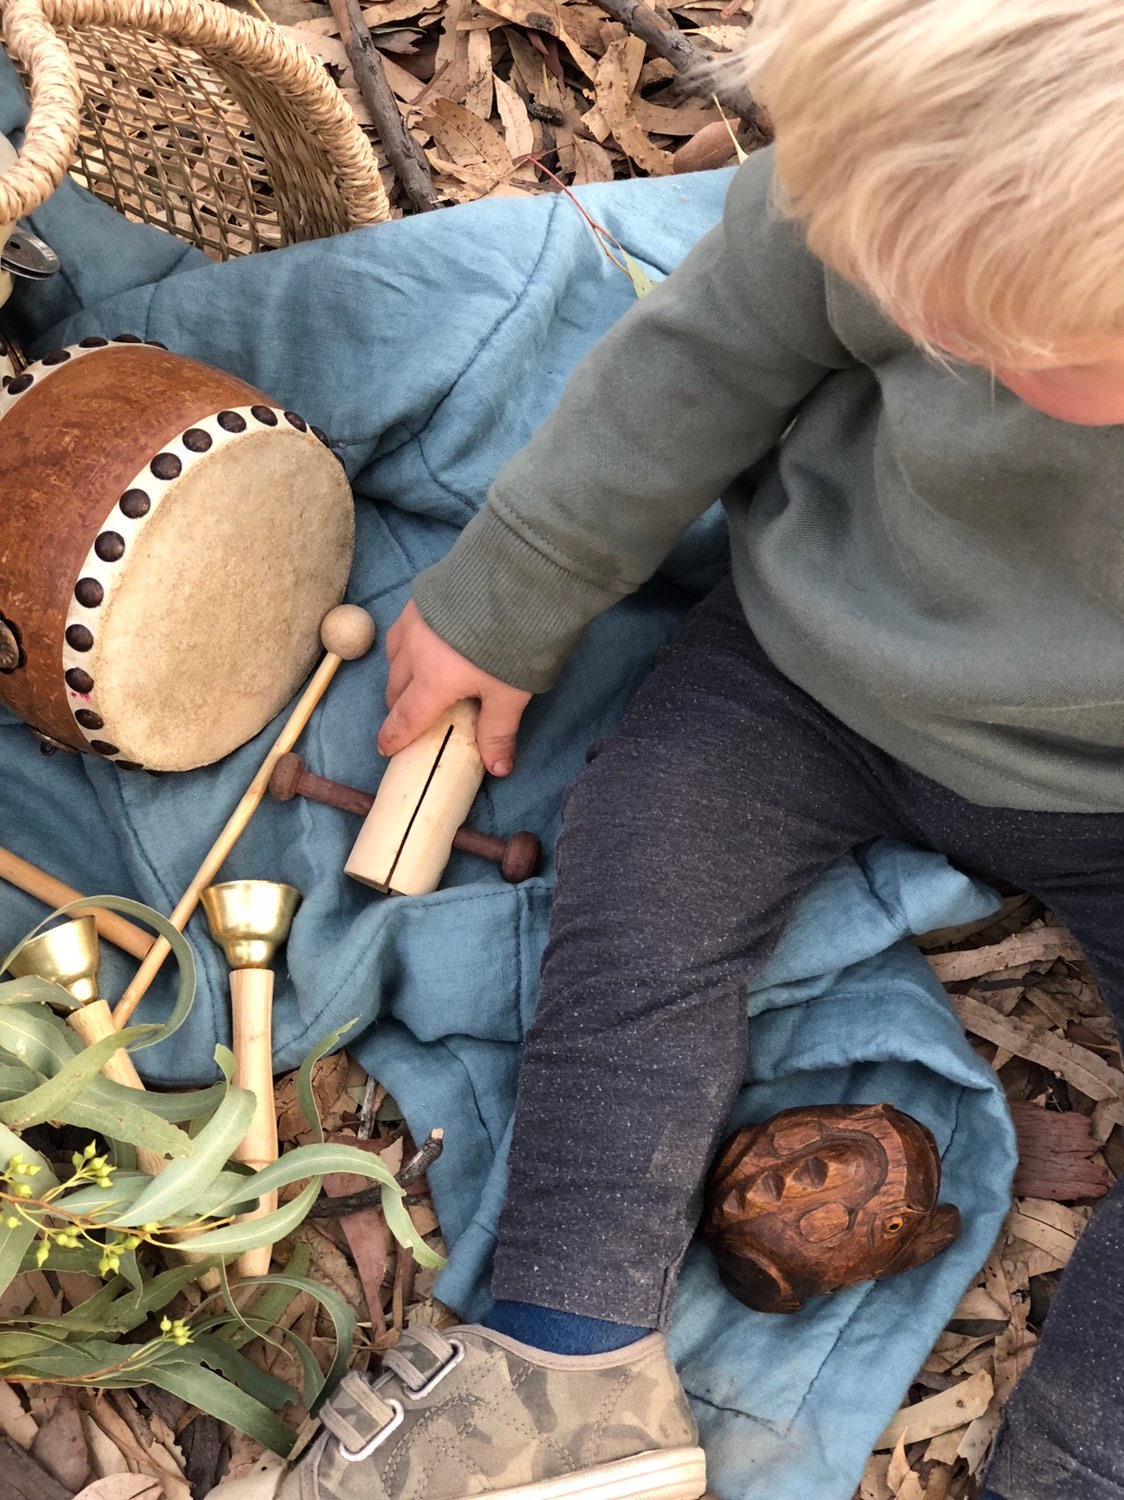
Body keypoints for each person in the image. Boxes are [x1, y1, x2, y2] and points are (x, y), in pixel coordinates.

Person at [268, 2, 1124, 1497]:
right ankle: (566, 1354)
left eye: (990, 333)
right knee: (639, 880)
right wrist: (504, 597)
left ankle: (1078, 1462)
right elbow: (703, 361)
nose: (930, 331)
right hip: (815, 665)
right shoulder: (886, 198)